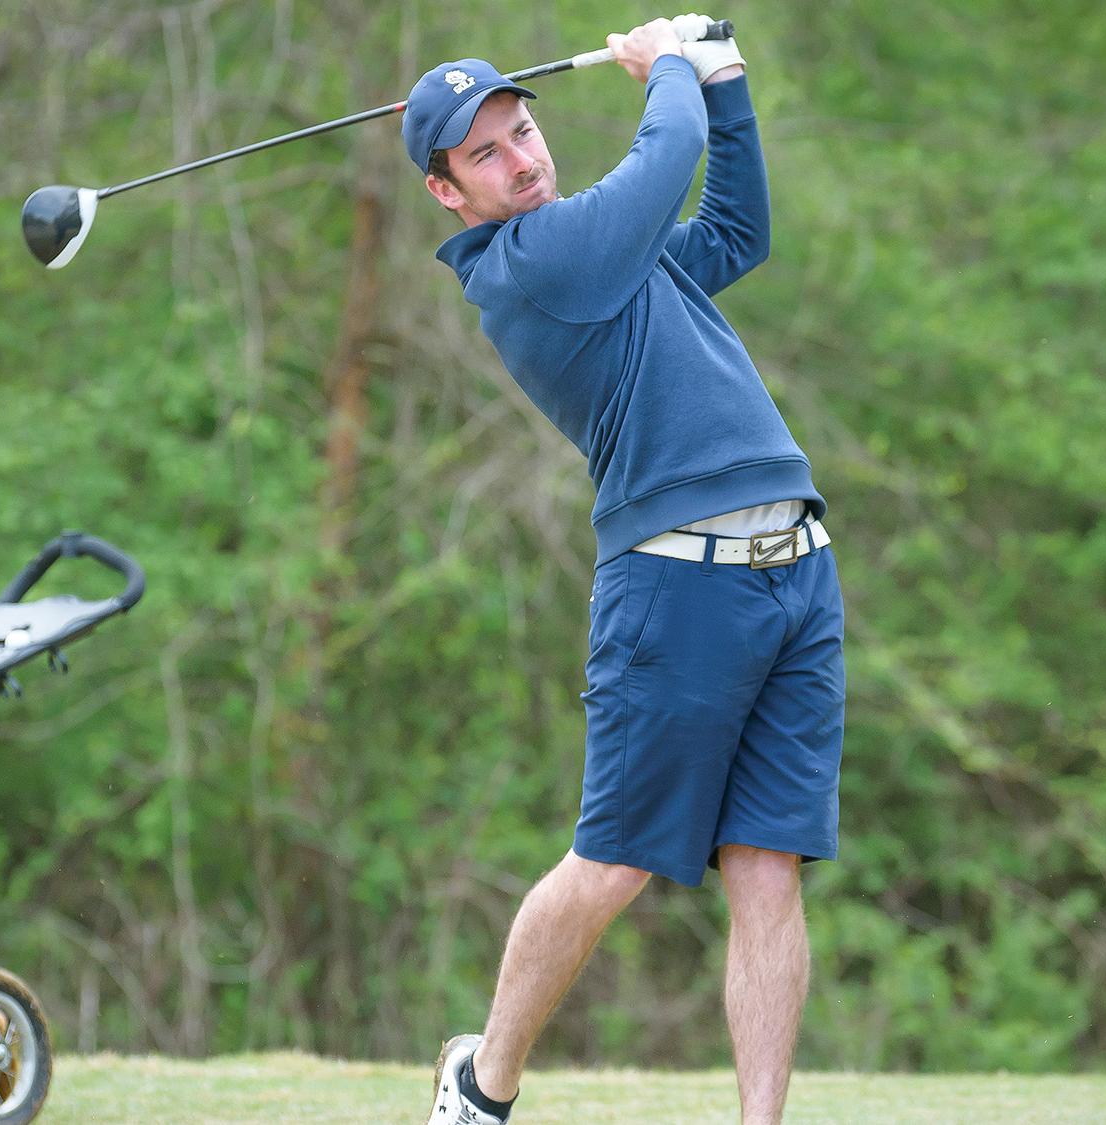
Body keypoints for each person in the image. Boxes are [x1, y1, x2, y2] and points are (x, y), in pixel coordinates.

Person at [403, 16, 844, 1125]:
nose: (523, 158)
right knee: (613, 863)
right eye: (487, 154)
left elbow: (733, 230)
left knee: (765, 869)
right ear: (445, 193)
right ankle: (483, 1086)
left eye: (522, 131)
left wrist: (726, 83)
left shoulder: (615, 257)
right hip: (676, 589)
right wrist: (672, 72)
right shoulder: (530, 266)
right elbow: (658, 174)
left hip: (795, 572)